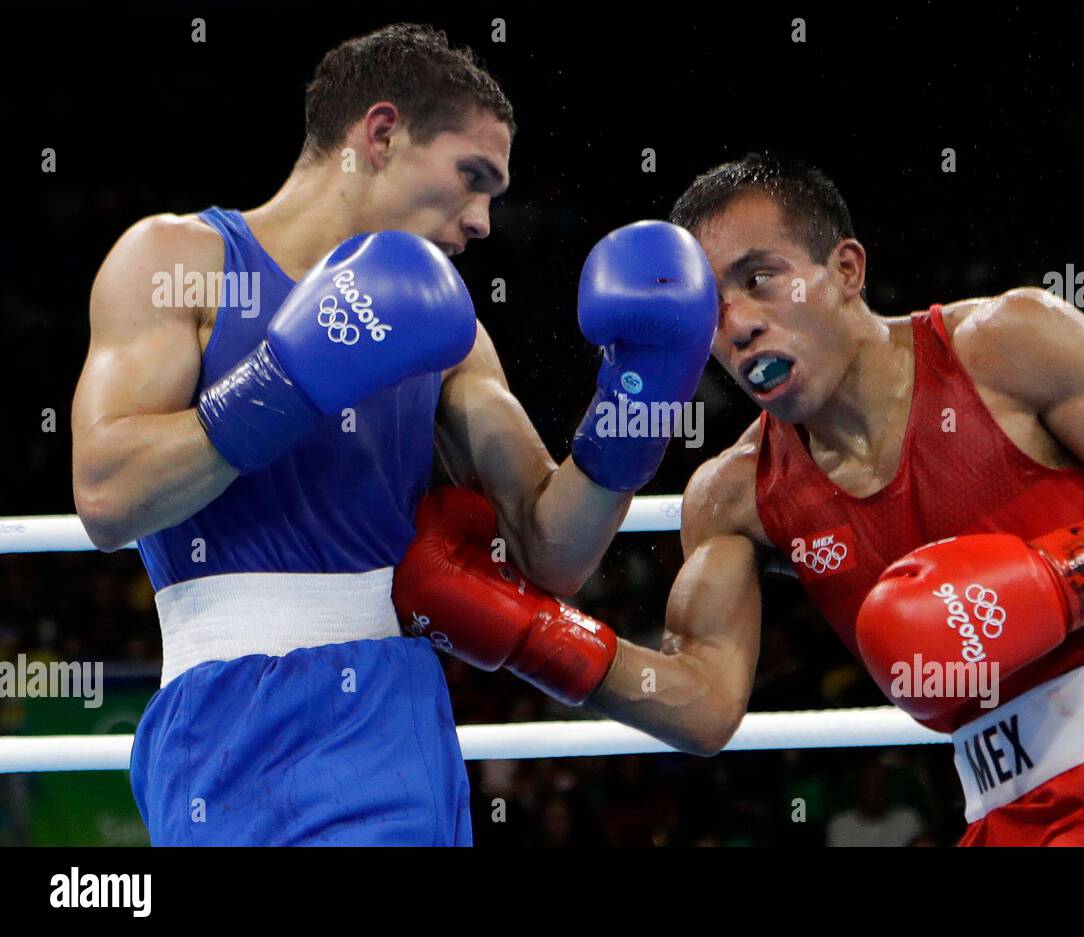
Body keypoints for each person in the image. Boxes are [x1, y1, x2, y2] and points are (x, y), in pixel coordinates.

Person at [394, 152, 1084, 845]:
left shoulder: (1007, 345)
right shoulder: (736, 493)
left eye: (761, 277)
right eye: (712, 305)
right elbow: (702, 701)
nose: (736, 324)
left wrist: (1057, 580)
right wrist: (533, 632)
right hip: (1001, 817)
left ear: (845, 268)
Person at [70, 23, 715, 845]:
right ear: (380, 135)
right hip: (238, 718)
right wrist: (290, 377)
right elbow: (106, 494)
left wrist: (641, 402)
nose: (483, 220)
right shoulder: (180, 258)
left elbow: (552, 546)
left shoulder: (450, 334)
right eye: (470, 177)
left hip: (403, 713)